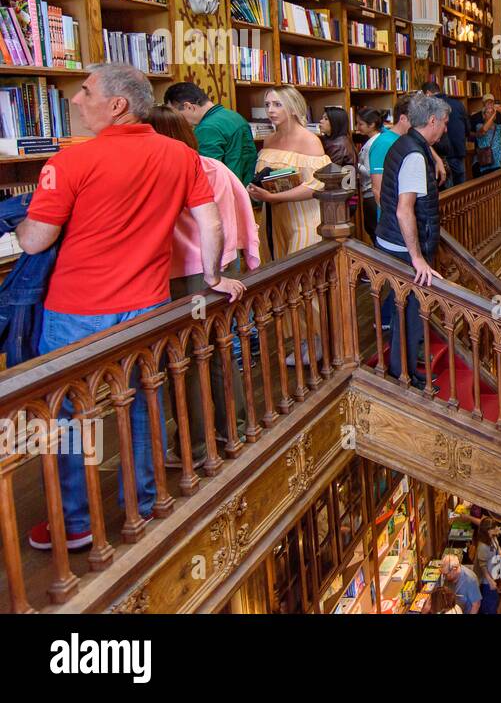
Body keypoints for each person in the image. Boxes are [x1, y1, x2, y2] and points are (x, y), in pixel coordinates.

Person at [17, 65, 244, 551]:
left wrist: (18, 230)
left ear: (117, 104)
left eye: (85, 91)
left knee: (64, 416)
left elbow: (37, 240)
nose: (76, 100)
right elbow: (211, 224)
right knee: (141, 403)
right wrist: (212, 277)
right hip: (148, 304)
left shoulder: (70, 163)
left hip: (75, 308)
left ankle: (74, 521)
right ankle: (143, 504)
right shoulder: (181, 156)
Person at [143, 106, 260, 465]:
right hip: (228, 267)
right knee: (222, 350)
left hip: (185, 274)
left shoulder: (163, 173)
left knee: (188, 359)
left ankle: (194, 443)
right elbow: (243, 210)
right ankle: (234, 428)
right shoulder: (217, 168)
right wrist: (248, 258)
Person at [375, 95, 450, 387]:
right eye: (443, 123)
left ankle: (403, 367)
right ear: (431, 121)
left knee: (403, 311)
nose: (445, 129)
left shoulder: (406, 143)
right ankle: (403, 372)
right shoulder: (416, 156)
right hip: (403, 249)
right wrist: (417, 257)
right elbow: (405, 209)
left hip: (391, 240)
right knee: (411, 313)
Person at [248, 87, 332, 260]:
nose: (270, 110)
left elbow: (317, 185)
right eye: (267, 104)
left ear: (293, 108)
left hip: (302, 218)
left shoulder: (309, 141)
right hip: (273, 218)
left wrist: (273, 198)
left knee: (299, 274)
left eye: (278, 104)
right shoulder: (269, 139)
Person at [164, 80, 257, 185]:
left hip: (226, 195)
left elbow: (208, 176)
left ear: (188, 106)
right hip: (246, 192)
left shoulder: (206, 129)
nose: (176, 119)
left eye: (176, 114)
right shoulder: (235, 116)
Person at [423, 80, 469, 187]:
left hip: (439, 152)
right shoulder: (458, 104)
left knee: (446, 189)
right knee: (462, 188)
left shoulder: (429, 107)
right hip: (458, 151)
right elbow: (467, 127)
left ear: (428, 93)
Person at [319, 107, 359, 223]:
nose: (321, 121)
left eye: (326, 119)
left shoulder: (338, 145)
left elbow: (327, 172)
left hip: (341, 199)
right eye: (322, 118)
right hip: (345, 196)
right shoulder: (341, 140)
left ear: (335, 123)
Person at [355, 108, 385, 242]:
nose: (357, 127)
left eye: (360, 124)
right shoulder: (380, 139)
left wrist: (354, 163)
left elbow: (369, 171)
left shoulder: (372, 144)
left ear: (371, 124)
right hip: (373, 191)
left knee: (373, 229)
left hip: (371, 191)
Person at [473, 519, 501, 614]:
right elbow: (482, 566)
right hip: (487, 581)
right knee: (489, 604)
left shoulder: (492, 537)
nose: (496, 529)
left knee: (494, 601)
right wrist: (490, 581)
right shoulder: (483, 547)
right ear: (488, 530)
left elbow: (498, 548)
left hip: (494, 572)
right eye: (493, 528)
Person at [471, 95, 501, 174]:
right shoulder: (479, 126)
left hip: (498, 165)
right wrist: (494, 112)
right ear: (483, 116)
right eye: (488, 113)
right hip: (483, 165)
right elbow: (483, 131)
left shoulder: (499, 127)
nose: (490, 115)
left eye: (492, 113)